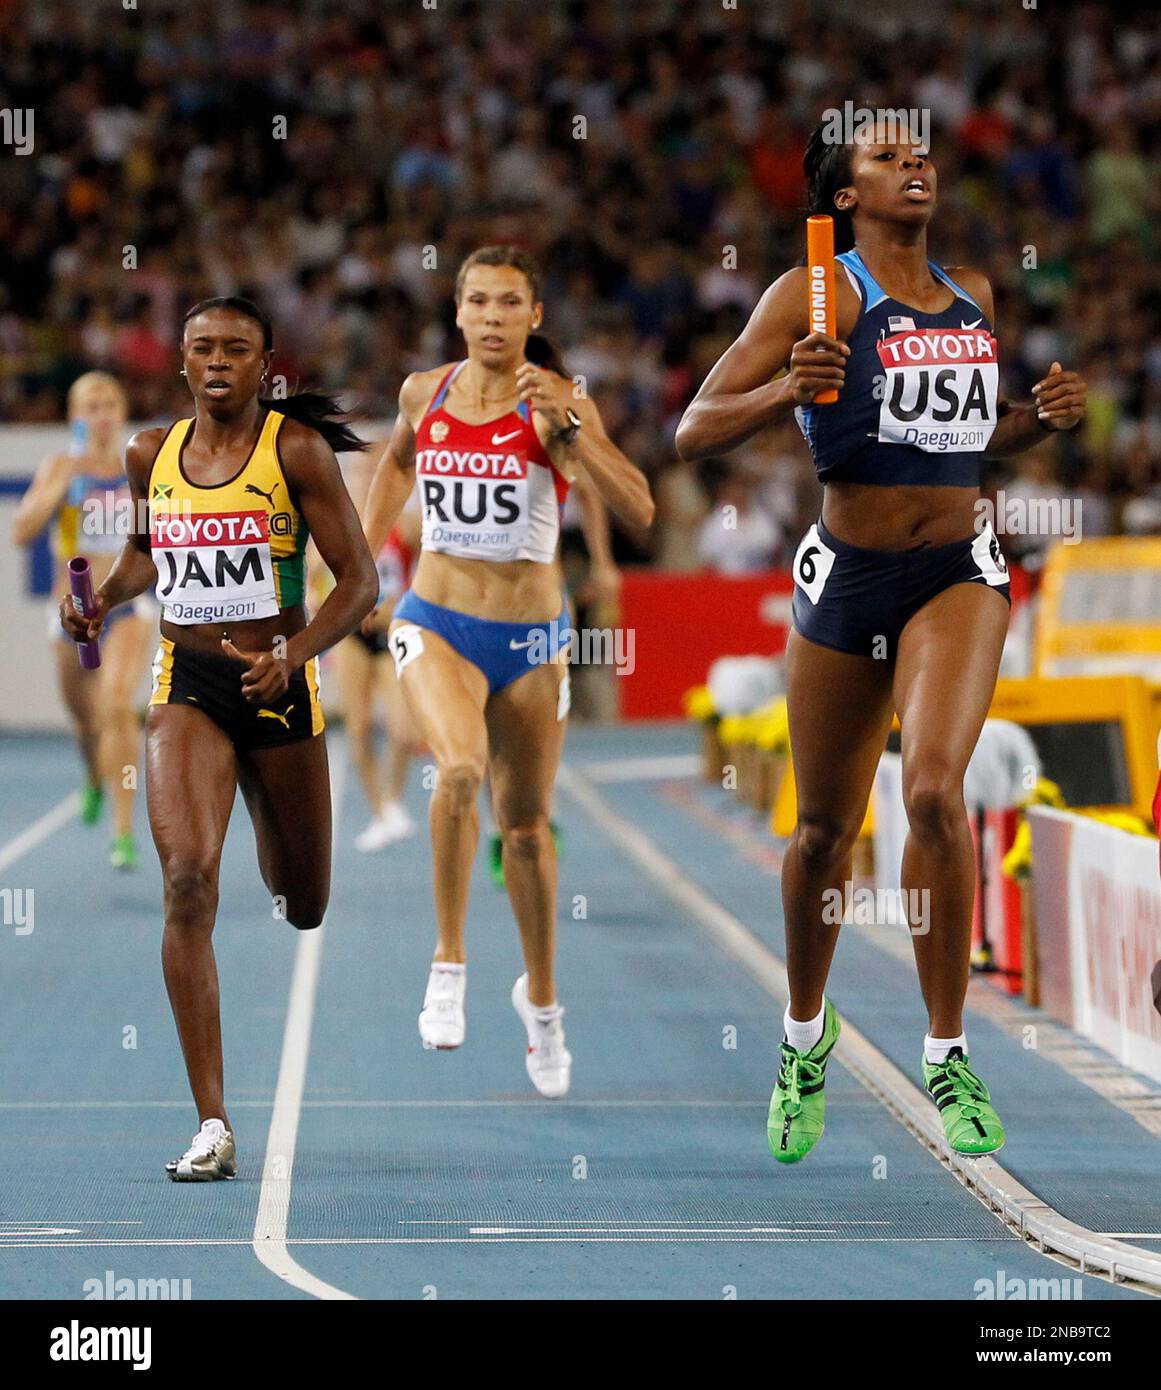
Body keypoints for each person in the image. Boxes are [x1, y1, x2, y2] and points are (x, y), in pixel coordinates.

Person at [676, 121, 1086, 1162]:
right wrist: (785, 390)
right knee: (822, 831)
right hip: (850, 576)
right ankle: (804, 1039)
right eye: (888, 156)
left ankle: (948, 1053)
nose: (918, 164)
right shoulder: (815, 295)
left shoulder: (977, 294)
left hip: (956, 570)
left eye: (923, 152)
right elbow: (693, 426)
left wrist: (1034, 419)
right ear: (845, 196)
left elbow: (967, 438)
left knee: (937, 790)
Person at [60, 297, 377, 1180]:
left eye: (237, 349)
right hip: (190, 685)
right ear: (183, 362)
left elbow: (360, 582)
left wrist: (296, 651)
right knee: (190, 880)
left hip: (276, 688)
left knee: (301, 899)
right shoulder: (149, 454)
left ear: (265, 363)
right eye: (203, 348)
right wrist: (102, 599)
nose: (218, 362)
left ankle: (273, 826)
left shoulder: (296, 452)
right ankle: (212, 1123)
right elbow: (144, 555)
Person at [362, 245, 653, 1097]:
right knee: (454, 772)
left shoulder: (559, 404)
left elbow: (634, 503)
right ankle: (447, 963)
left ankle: (543, 1003)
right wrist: (354, 564)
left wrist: (569, 432)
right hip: (437, 619)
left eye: (509, 303)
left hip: (530, 639)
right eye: (477, 301)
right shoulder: (426, 392)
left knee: (524, 829)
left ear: (534, 318)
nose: (492, 317)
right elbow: (395, 464)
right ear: (458, 314)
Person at [13, 372, 153, 868]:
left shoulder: (137, 463)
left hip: (125, 608)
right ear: (76, 416)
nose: (102, 413)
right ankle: (94, 778)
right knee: (85, 720)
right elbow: (22, 532)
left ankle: (123, 830)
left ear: (121, 410)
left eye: (110, 403)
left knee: (117, 707)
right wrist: (59, 489)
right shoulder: (60, 466)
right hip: (70, 612)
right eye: (91, 405)